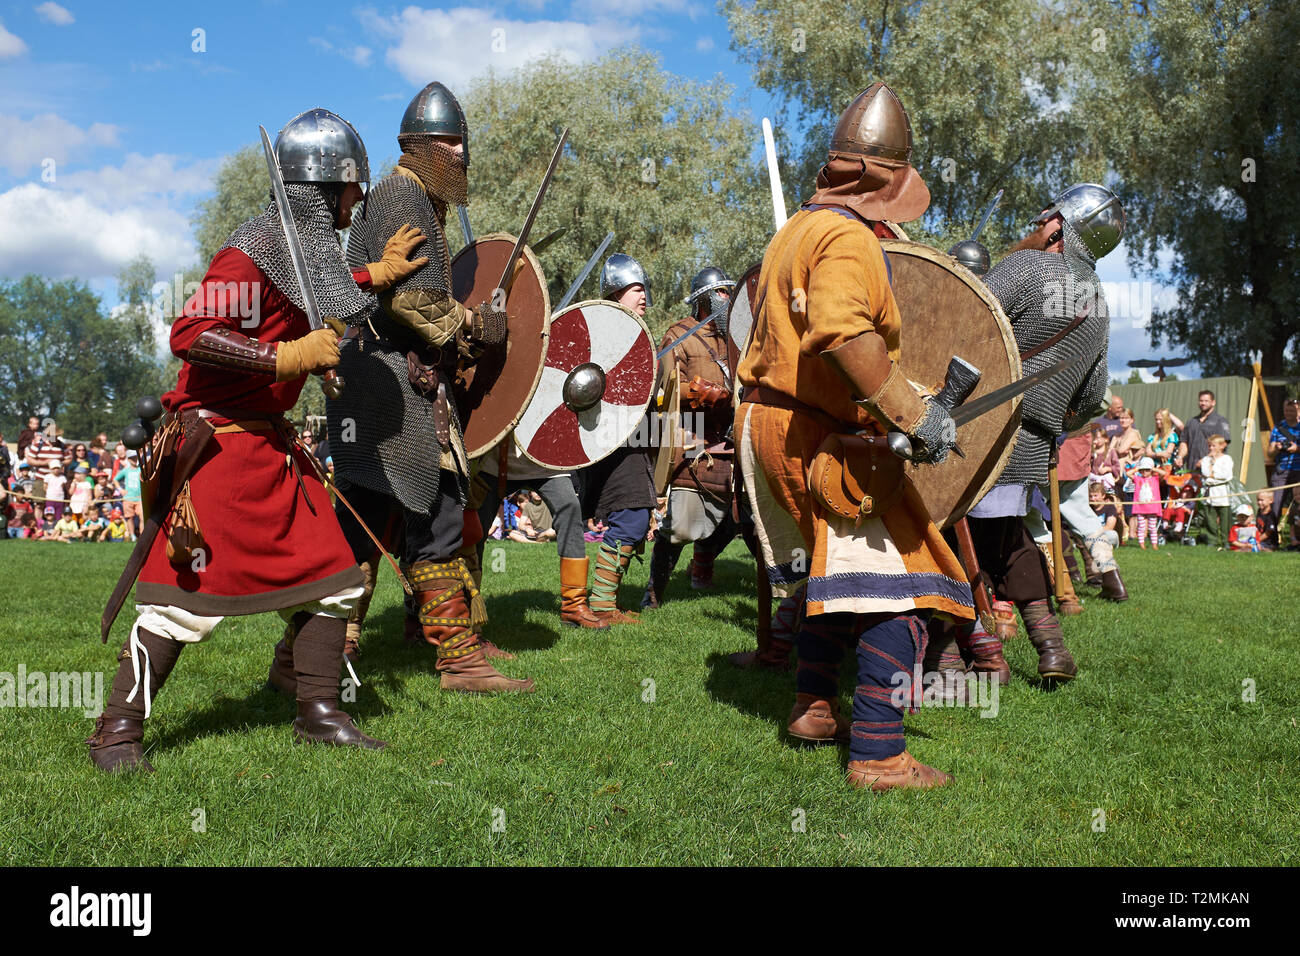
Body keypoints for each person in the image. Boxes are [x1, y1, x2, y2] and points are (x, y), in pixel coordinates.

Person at [88, 107, 399, 774]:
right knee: (181, 605)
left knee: (337, 579)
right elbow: (191, 334)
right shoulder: (250, 250)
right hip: (221, 448)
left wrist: (380, 275)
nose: (358, 204)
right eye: (353, 190)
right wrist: (287, 359)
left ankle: (318, 714)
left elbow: (326, 290)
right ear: (323, 187)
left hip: (272, 448)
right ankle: (117, 733)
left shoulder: (305, 251)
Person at [737, 82, 974, 791]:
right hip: (815, 439)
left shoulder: (797, 231)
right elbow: (841, 331)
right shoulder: (844, 235)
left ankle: (814, 708)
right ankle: (878, 753)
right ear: (883, 176)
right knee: (891, 593)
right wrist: (914, 412)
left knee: (835, 579)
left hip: (778, 421)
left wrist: (897, 401)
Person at [321, 80, 533, 694]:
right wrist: (471, 324)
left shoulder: (413, 202)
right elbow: (408, 298)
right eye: (449, 143)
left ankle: (308, 657)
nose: (461, 155)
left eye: (462, 144)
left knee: (364, 527)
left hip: (378, 385)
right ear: (417, 147)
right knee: (438, 514)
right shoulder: (402, 196)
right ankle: (459, 659)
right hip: (396, 387)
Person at [965, 182, 1120, 682]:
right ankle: (1050, 647)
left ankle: (969, 653)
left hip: (977, 429)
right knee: (1006, 538)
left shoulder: (1024, 268)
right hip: (1030, 441)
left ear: (1058, 226)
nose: (1033, 230)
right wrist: (1051, 421)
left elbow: (961, 329)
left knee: (949, 536)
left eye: (1040, 222)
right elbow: (1093, 396)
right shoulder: (1098, 301)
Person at [643, 266, 740, 609]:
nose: (728, 300)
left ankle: (701, 572)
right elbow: (663, 388)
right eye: (722, 293)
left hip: (733, 441)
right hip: (694, 441)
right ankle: (653, 593)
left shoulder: (737, 338)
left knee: (737, 520)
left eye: (730, 293)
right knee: (681, 527)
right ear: (705, 299)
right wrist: (703, 393)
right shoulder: (679, 334)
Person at [577, 253, 660, 626]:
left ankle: (601, 601)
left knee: (635, 517)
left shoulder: (638, 335)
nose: (643, 295)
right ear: (615, 293)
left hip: (633, 444)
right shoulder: (604, 332)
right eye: (635, 288)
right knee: (631, 517)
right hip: (608, 444)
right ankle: (601, 603)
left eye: (644, 288)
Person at [1174, 390, 1232, 470]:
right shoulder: (1191, 421)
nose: (1203, 403)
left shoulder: (1220, 421)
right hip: (1191, 469)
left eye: (1206, 401)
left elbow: (1224, 443)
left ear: (1213, 402)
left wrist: (1206, 460)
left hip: (1211, 471)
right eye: (1201, 401)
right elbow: (1184, 442)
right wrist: (1180, 457)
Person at [1267, 397, 1300, 528]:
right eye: (1286, 410)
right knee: (1275, 504)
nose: (1288, 413)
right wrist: (1276, 448)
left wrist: (1297, 449)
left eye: (1291, 411)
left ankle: (1296, 540)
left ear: (1298, 411)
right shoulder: (1278, 428)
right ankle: (1272, 539)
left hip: (1298, 471)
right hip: (1281, 471)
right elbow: (1269, 453)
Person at [1198, 434, 1234, 549]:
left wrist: (1213, 474)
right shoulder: (1206, 460)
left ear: (1221, 446)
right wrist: (1211, 467)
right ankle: (1212, 540)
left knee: (1225, 519)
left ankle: (1226, 541)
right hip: (1210, 492)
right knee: (1210, 518)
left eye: (1213, 446)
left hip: (1222, 492)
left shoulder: (1226, 459)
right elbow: (1205, 473)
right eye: (1209, 446)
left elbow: (1226, 475)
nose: (1210, 448)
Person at [1129, 456, 1163, 550]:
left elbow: (1164, 473)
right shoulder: (1138, 479)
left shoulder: (1155, 479)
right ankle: (1142, 544)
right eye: (1142, 470)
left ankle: (1154, 545)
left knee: (1152, 528)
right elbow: (1128, 473)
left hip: (1152, 508)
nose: (1144, 472)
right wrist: (1137, 468)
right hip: (1141, 508)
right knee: (1141, 527)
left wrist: (1153, 468)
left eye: (1147, 470)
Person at [114, 452, 142, 540]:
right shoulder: (126, 470)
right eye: (132, 458)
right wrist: (120, 490)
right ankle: (132, 535)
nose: (134, 460)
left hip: (140, 498)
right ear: (129, 459)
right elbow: (115, 479)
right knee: (129, 518)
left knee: (143, 517)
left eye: (136, 457)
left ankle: (142, 536)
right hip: (128, 498)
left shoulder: (142, 469)